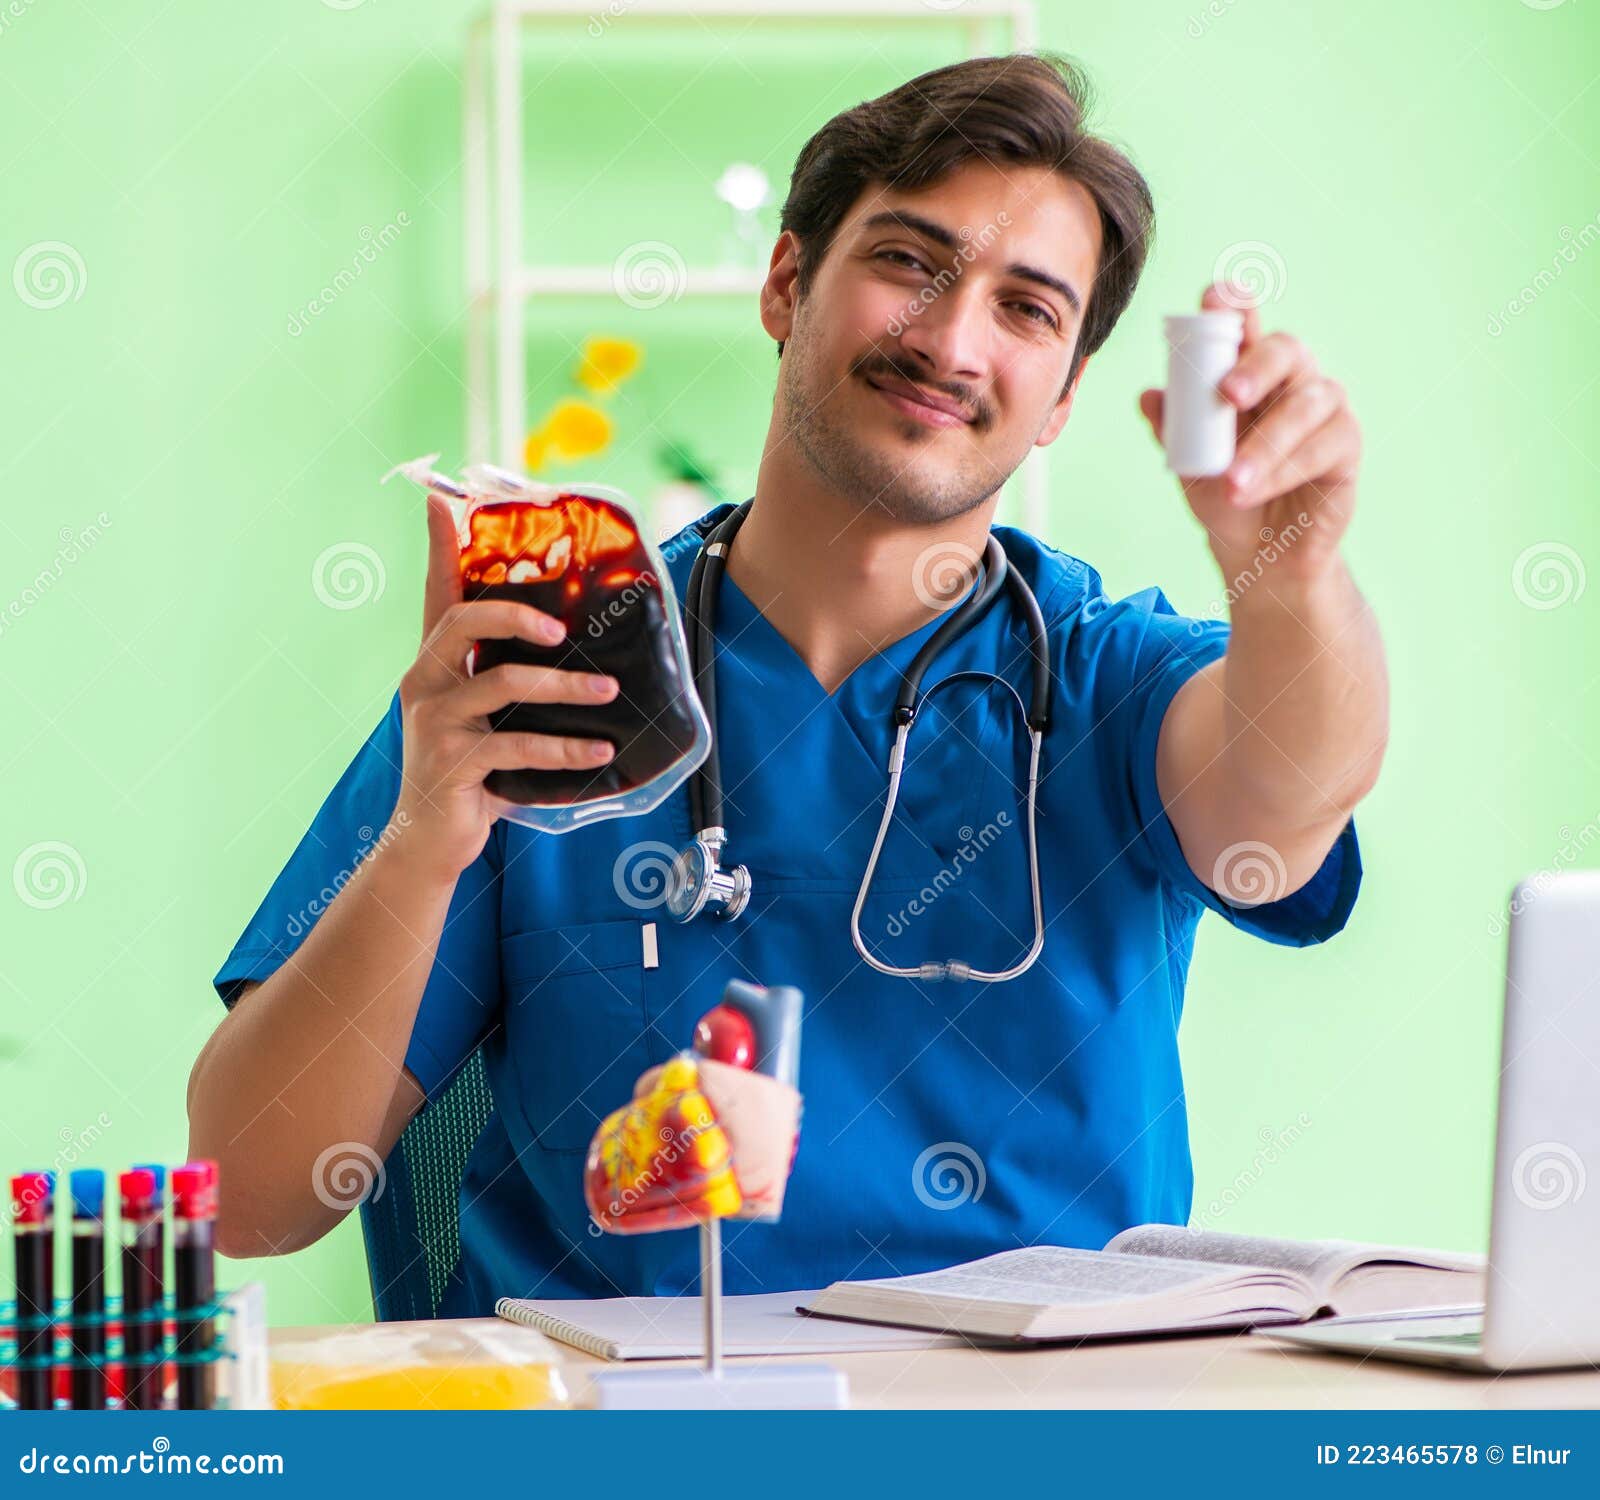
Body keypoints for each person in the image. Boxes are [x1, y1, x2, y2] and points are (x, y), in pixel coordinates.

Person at [188, 52, 1382, 1310]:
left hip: (1031, 1424)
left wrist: (1291, 574)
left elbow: (1286, 796)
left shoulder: (1105, 678)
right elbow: (250, 1196)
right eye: (908, 263)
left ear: (1063, 399)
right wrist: (431, 834)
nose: (950, 339)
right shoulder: (550, 667)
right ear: (786, 281)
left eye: (1027, 308)